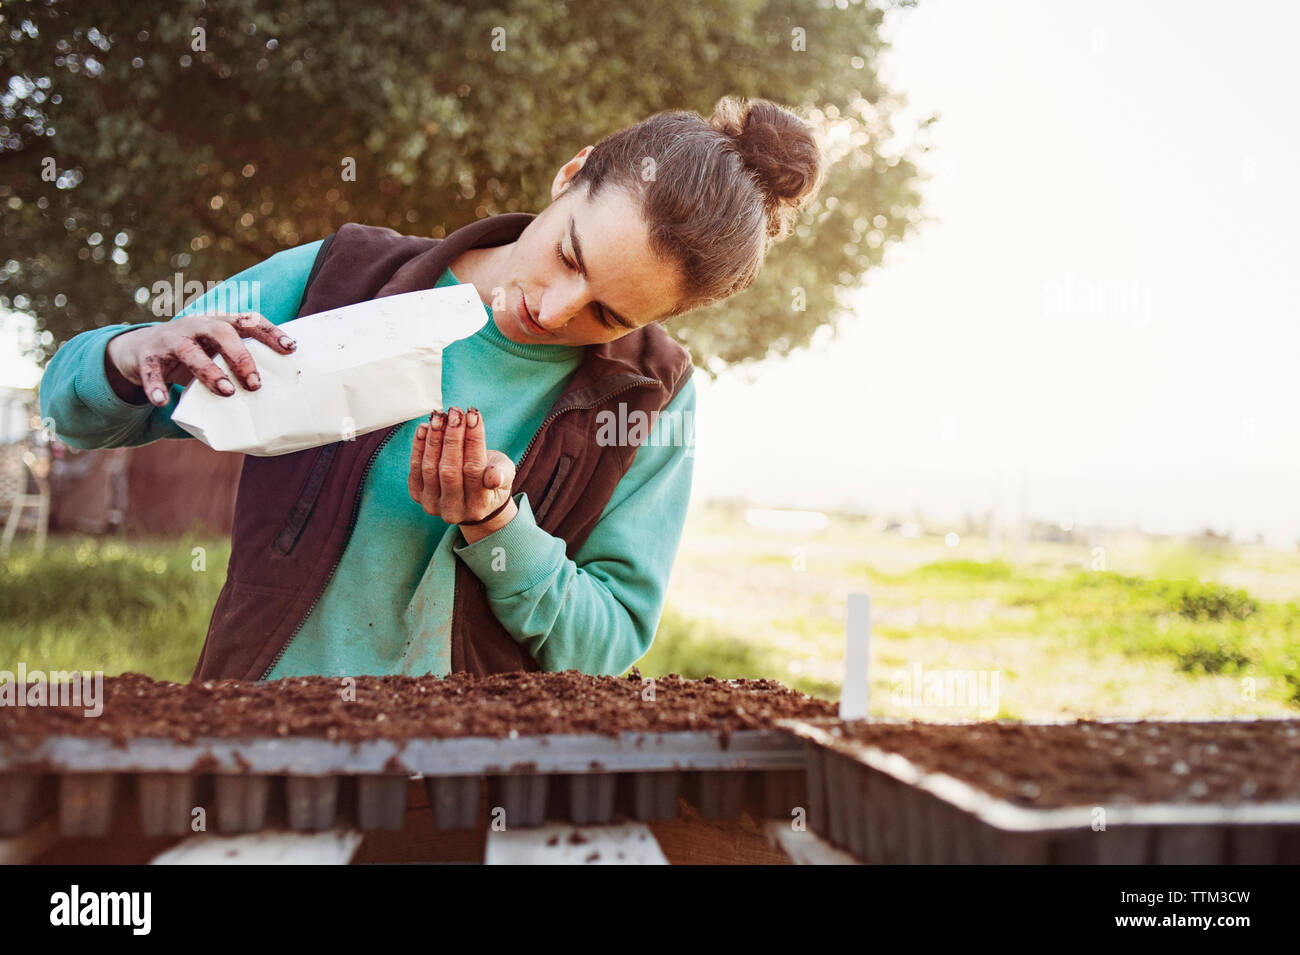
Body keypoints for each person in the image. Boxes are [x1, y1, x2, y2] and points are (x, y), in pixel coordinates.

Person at [38, 96, 826, 680]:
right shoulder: (346, 276)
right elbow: (73, 412)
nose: (551, 310)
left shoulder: (653, 397)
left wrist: (497, 526)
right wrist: (138, 350)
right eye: (572, 255)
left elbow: (610, 640)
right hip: (257, 740)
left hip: (468, 792)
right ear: (570, 175)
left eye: (607, 312)